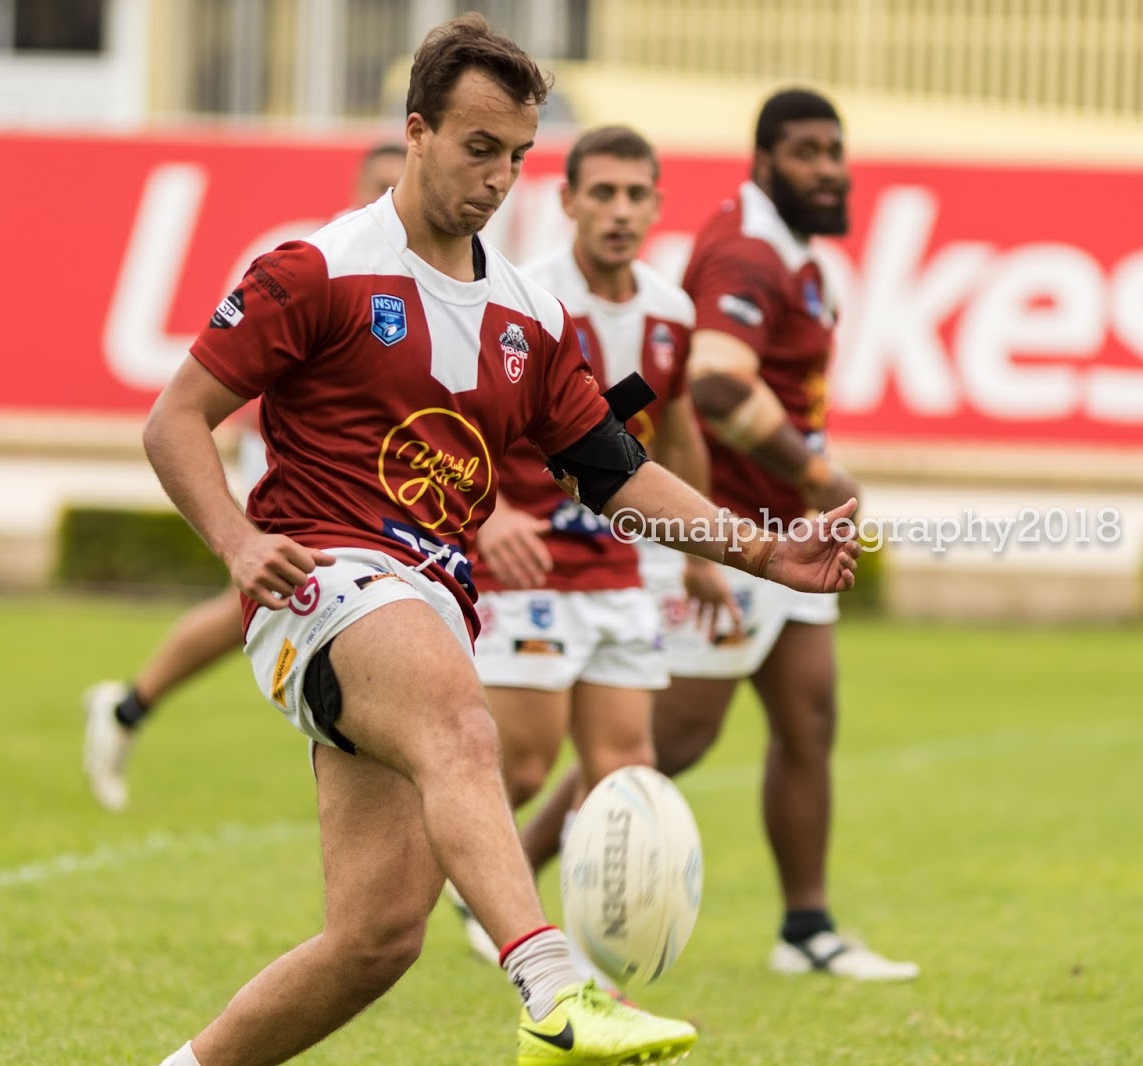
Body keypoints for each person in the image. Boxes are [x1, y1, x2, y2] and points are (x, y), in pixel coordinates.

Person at [144, 16, 860, 1066]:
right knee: (462, 729)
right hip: (326, 584)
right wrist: (237, 541)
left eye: (517, 157)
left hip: (429, 599)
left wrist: (757, 550)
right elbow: (174, 420)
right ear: (418, 130)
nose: (497, 178)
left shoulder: (527, 312)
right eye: (478, 149)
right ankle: (554, 987)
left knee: (375, 939)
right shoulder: (315, 268)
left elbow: (614, 474)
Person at [447, 126, 739, 969]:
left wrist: (698, 555)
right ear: (567, 200)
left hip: (618, 571)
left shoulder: (670, 313)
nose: (619, 211)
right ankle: (441, 880)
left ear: (656, 205)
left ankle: (587, 939)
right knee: (529, 768)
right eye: (601, 193)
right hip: (526, 569)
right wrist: (489, 517)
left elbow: (679, 438)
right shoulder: (522, 299)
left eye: (635, 194)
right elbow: (464, 425)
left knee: (624, 769)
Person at [641, 87, 916, 981]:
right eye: (807, 152)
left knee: (809, 719)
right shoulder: (746, 254)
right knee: (670, 744)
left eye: (836, 150)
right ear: (763, 160)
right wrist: (817, 475)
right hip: (738, 534)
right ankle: (503, 884)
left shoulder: (792, 252)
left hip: (790, 540)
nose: (830, 169)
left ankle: (807, 929)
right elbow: (716, 386)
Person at [82, 143, 406, 812]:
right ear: (354, 186)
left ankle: (127, 710)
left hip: (385, 487)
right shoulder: (319, 263)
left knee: (273, 604)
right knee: (282, 591)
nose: (391, 196)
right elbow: (218, 380)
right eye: (379, 182)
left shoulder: (430, 278)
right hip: (294, 462)